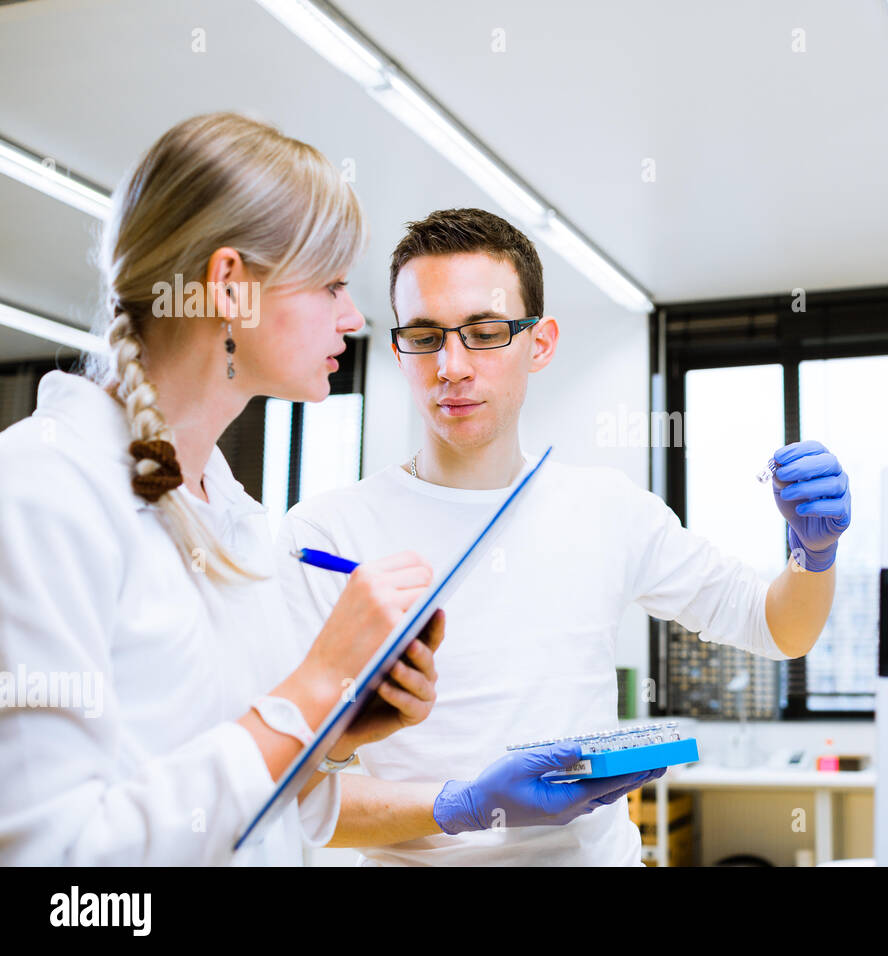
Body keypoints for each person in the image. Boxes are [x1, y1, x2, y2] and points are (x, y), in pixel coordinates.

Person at [275, 208, 851, 865]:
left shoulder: (608, 508)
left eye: (485, 333)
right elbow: (297, 798)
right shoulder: (328, 533)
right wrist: (461, 804)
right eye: (426, 336)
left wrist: (813, 554)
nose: (452, 366)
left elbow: (778, 629)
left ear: (540, 342)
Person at [0, 111, 445, 865]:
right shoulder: (40, 491)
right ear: (231, 287)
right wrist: (314, 686)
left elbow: (241, 807)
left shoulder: (230, 513)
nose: (354, 316)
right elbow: (59, 871)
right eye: (332, 284)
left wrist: (331, 722)